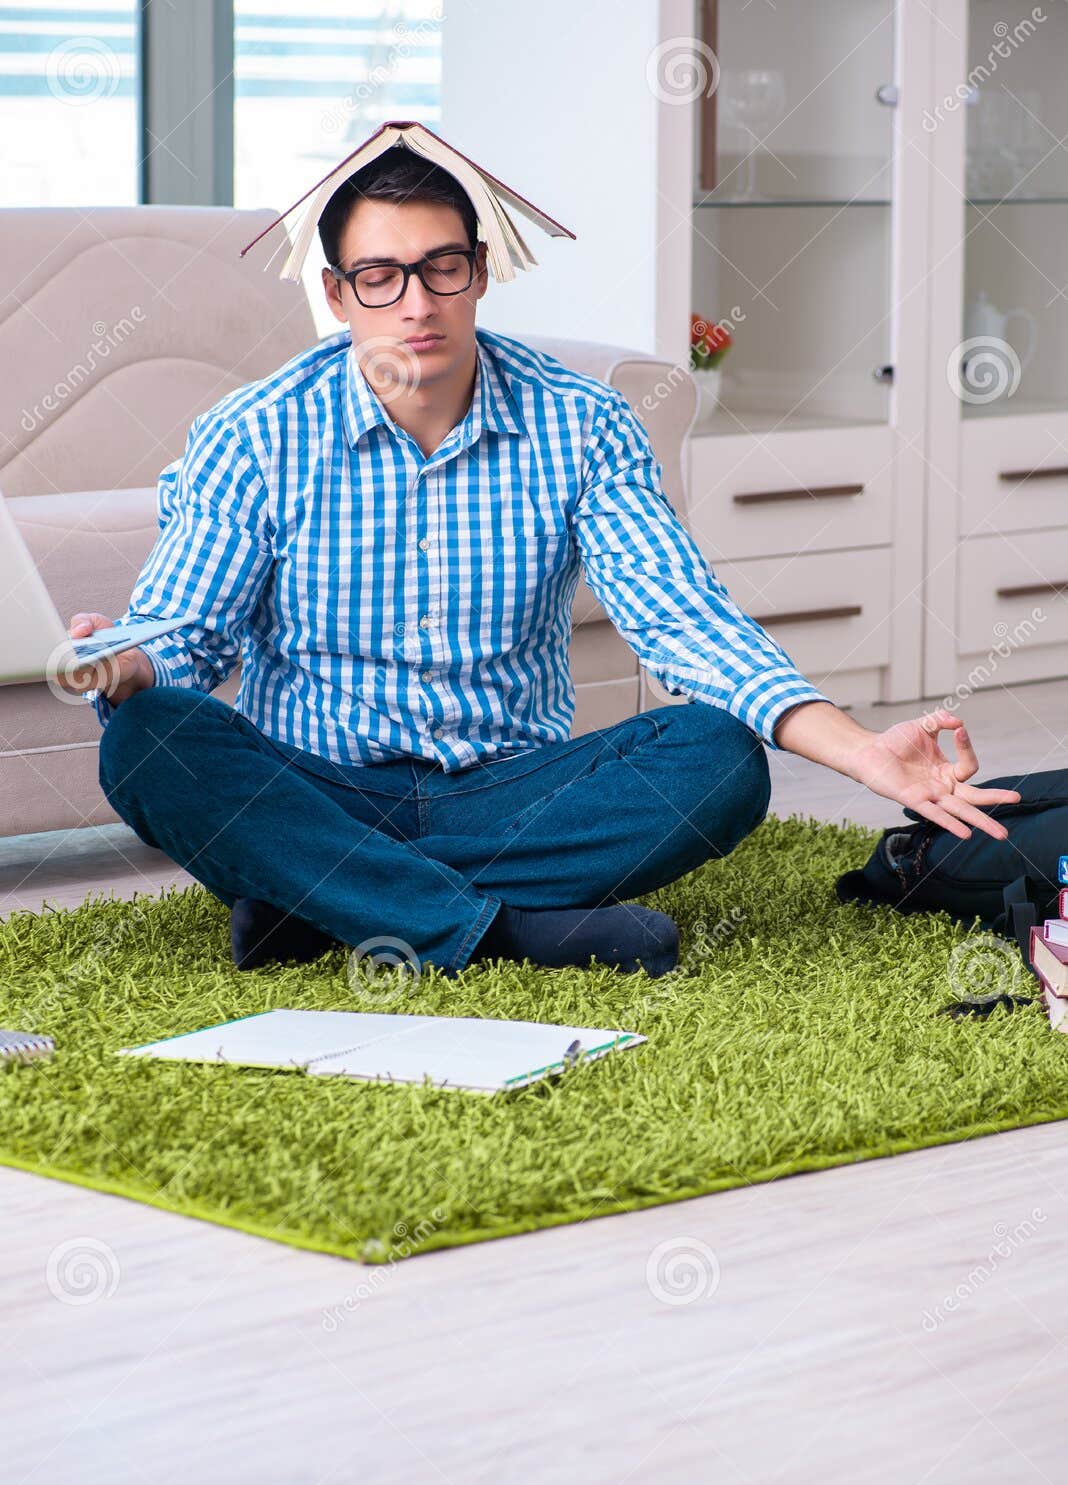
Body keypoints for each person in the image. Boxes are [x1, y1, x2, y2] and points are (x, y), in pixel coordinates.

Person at [61, 152, 1020, 978]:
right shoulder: (255, 434)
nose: (418, 304)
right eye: (381, 278)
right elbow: (183, 631)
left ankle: (321, 897)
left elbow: (683, 621)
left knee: (720, 758)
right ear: (337, 292)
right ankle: (499, 933)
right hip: (319, 780)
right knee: (149, 736)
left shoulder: (584, 422)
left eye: (441, 268)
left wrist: (859, 751)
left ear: (480, 269)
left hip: (513, 789)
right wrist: (127, 662)